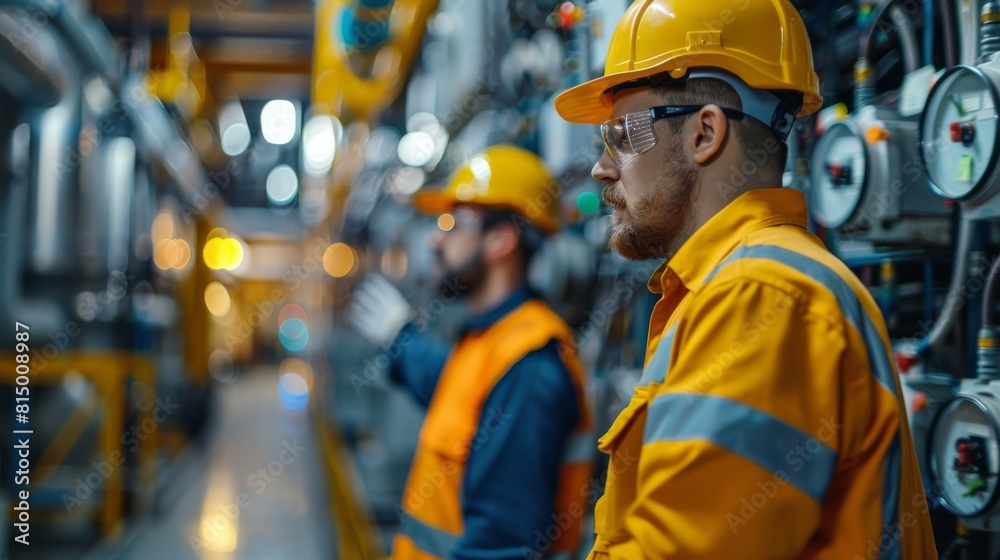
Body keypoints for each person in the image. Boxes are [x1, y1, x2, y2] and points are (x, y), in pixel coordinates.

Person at [553, 0, 937, 558]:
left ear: (705, 134)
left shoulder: (761, 295)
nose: (602, 168)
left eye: (624, 135)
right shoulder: (734, 288)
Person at [348, 145, 593, 560]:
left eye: (453, 223)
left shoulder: (528, 365)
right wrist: (400, 337)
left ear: (501, 240)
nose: (434, 238)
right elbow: (450, 390)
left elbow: (500, 546)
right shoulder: (488, 339)